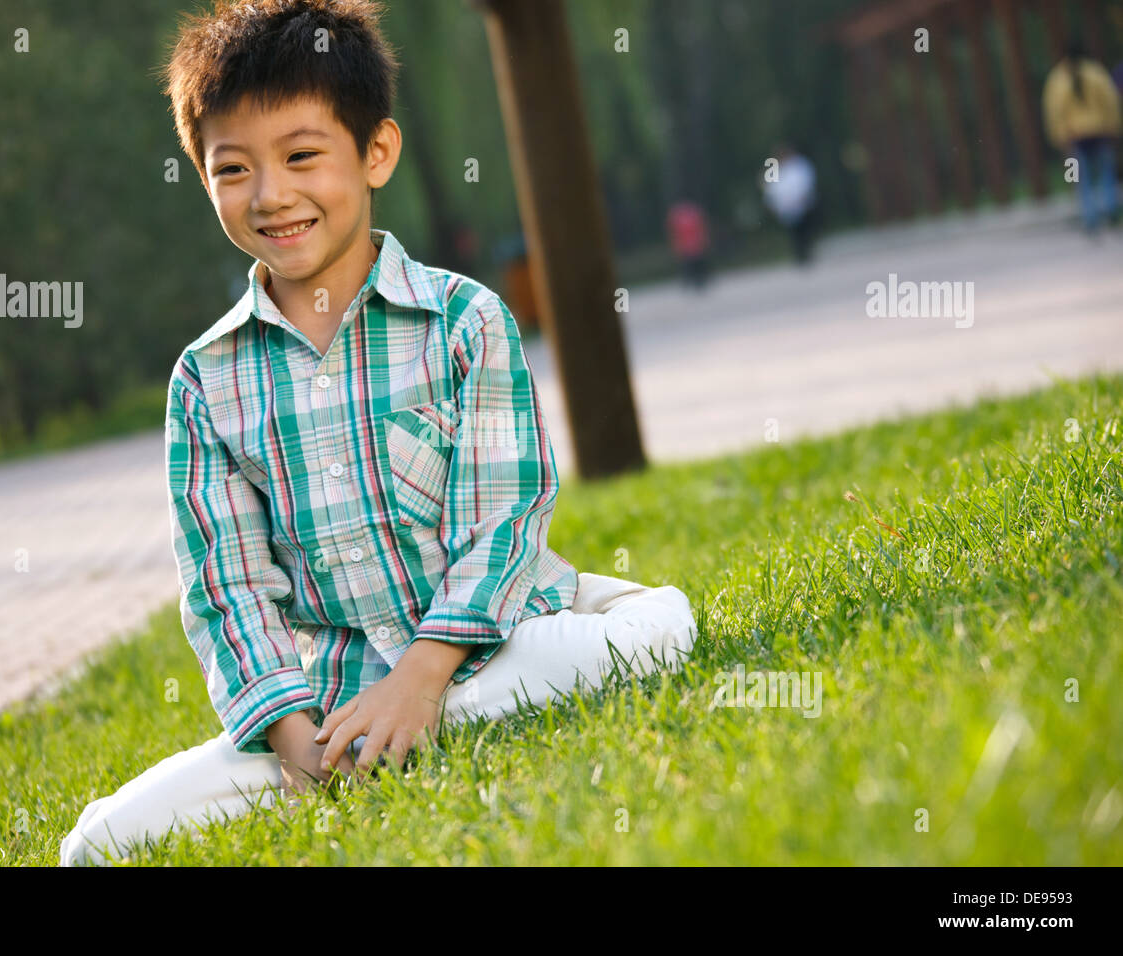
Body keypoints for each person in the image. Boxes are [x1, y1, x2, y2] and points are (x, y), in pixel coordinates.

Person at [59, 0, 697, 867]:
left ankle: (443, 703)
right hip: (325, 711)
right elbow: (229, 589)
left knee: (660, 633)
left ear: (376, 154)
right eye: (233, 169)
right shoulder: (204, 383)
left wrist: (420, 684)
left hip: (485, 650)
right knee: (96, 845)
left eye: (302, 157)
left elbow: (503, 522)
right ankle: (372, 740)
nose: (271, 194)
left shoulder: (464, 321)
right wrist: (293, 742)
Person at [1042, 39, 1123, 235]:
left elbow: (1054, 111)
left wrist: (1058, 136)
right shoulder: (1095, 72)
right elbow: (1110, 100)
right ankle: (1111, 209)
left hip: (1074, 136)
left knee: (1078, 177)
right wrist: (1114, 126)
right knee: (1106, 172)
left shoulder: (1058, 79)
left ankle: (1089, 217)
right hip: (1099, 131)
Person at [761, 144, 819, 264]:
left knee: (805, 231)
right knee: (794, 234)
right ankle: (800, 255)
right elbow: (771, 189)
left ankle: (806, 253)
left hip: (802, 205)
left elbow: (806, 182)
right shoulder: (776, 169)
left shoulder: (799, 165)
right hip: (787, 209)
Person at [666, 198, 710, 288]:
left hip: (692, 244)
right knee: (690, 264)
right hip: (689, 244)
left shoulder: (679, 216)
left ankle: (697, 280)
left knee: (694, 264)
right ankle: (693, 280)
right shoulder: (691, 214)